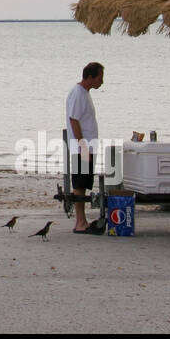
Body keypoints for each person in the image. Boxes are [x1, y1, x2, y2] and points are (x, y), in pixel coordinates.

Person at [65, 62, 105, 235]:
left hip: (87, 145)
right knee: (80, 184)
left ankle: (81, 221)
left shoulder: (85, 93)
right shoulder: (77, 93)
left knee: (83, 183)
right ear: (90, 77)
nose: (102, 82)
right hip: (82, 147)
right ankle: (80, 222)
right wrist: (82, 145)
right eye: (100, 78)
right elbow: (73, 120)